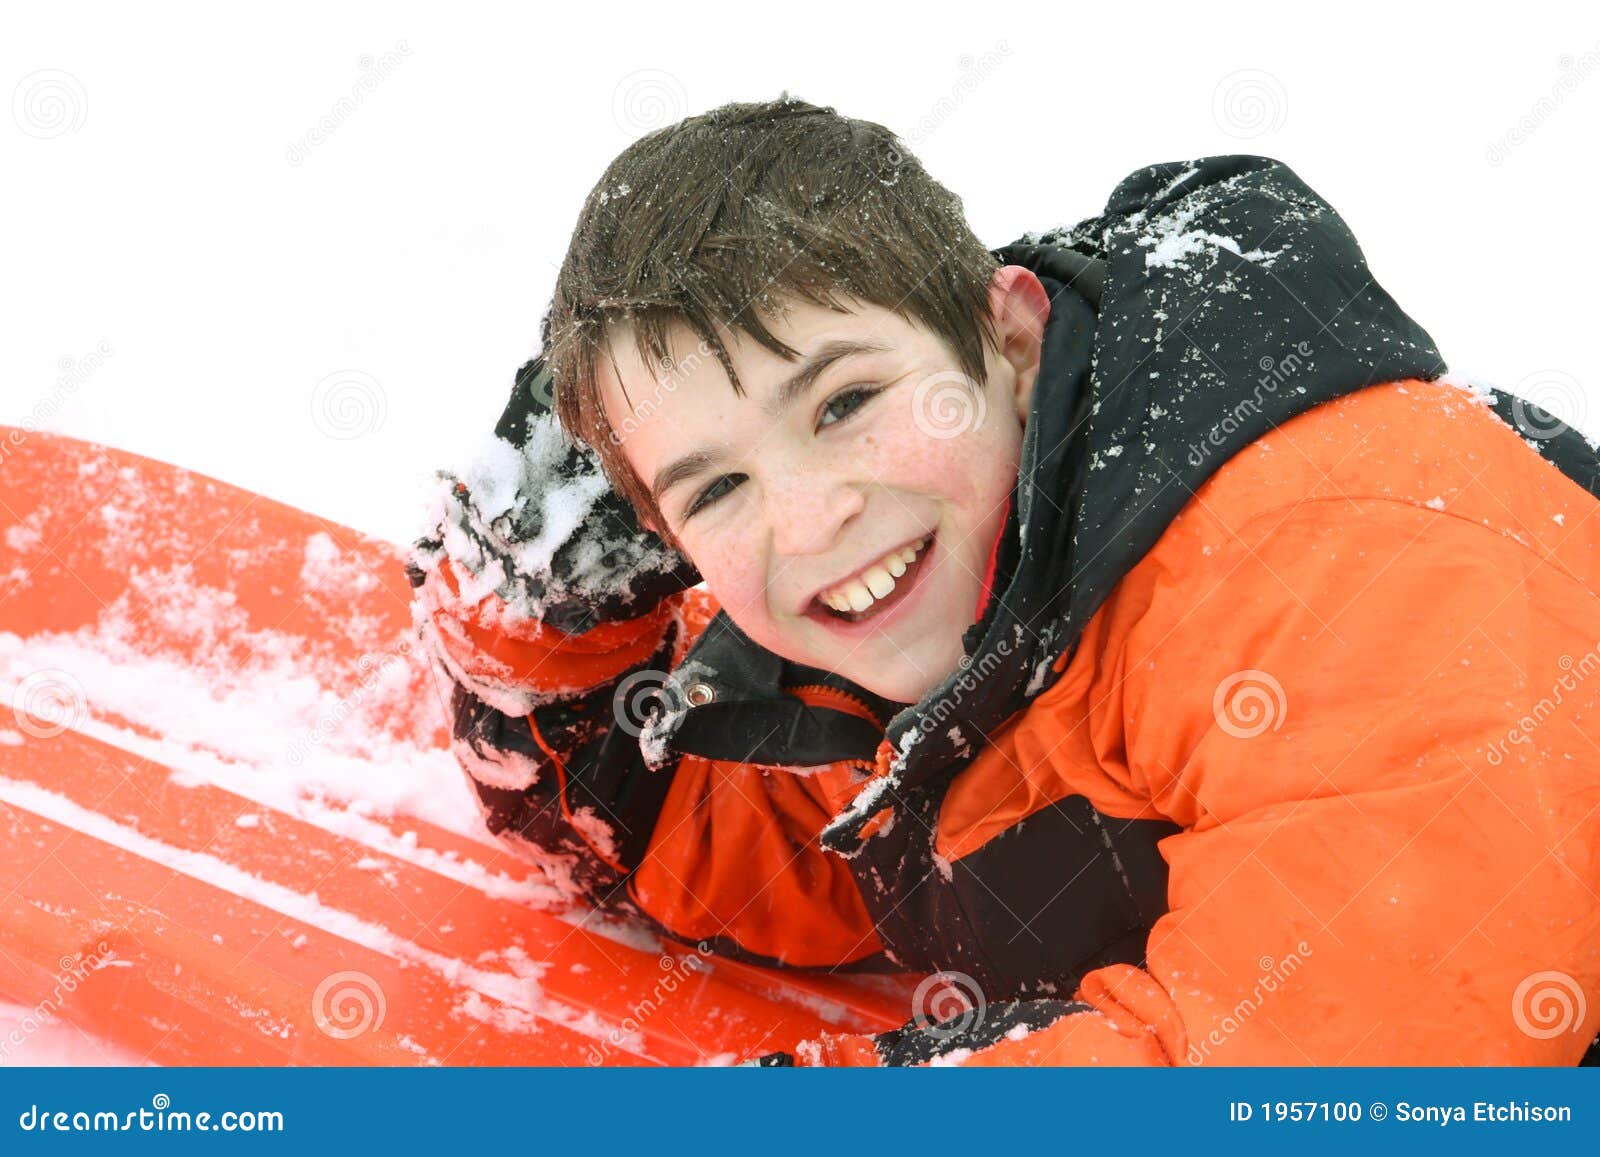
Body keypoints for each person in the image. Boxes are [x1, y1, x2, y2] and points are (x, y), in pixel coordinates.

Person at [407, 96, 1600, 1065]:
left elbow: (1345, 1065)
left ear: (1012, 338)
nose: (810, 519)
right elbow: (682, 835)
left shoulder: (1336, 550)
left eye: (846, 403)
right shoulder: (942, 602)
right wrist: (542, 610)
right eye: (713, 488)